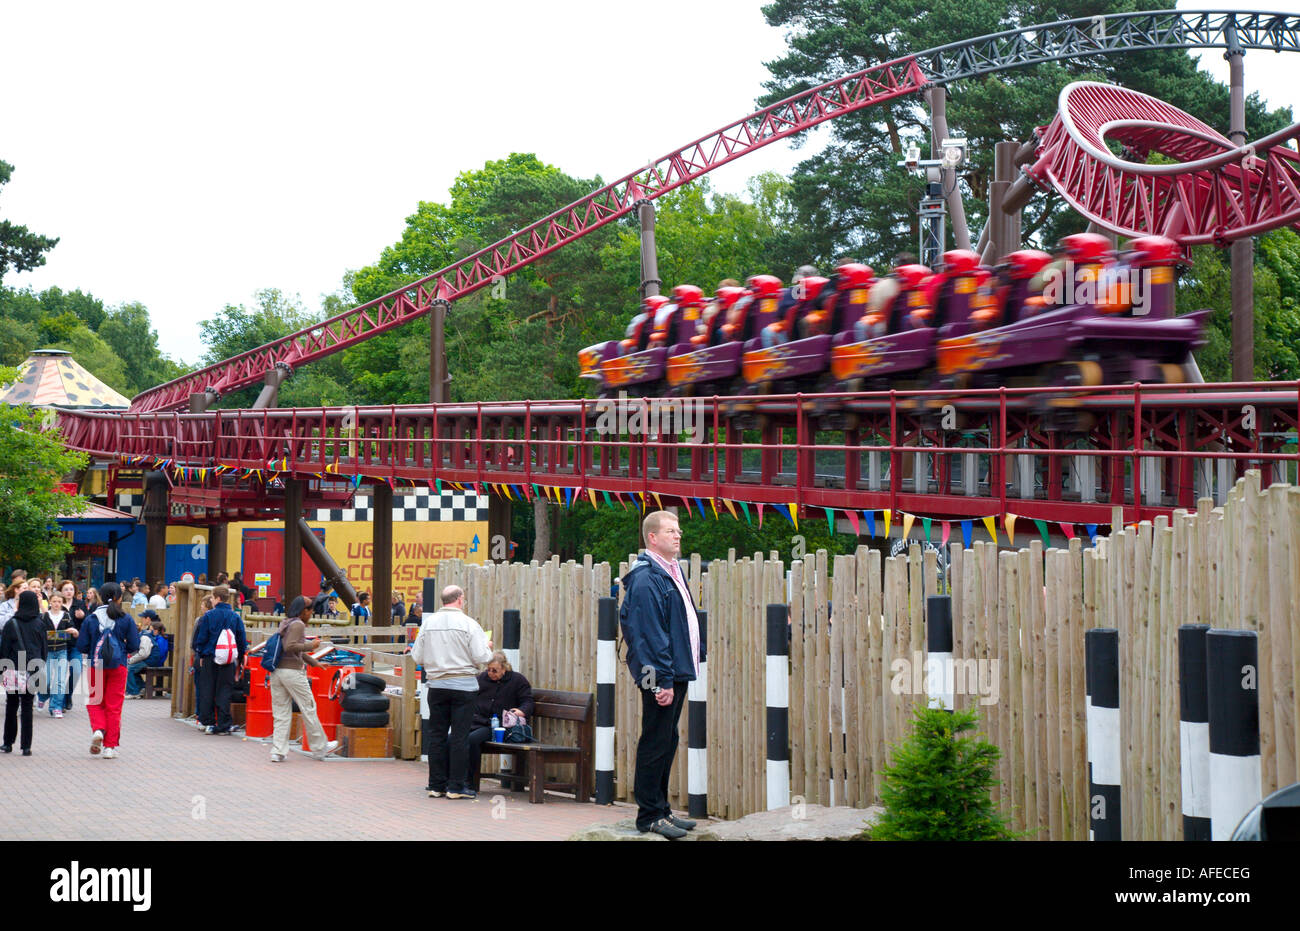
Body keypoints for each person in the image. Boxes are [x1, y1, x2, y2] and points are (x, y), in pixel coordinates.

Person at [619, 510, 702, 838]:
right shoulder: (646, 577)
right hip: (662, 676)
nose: (677, 535)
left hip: (675, 670)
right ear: (652, 538)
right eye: (670, 531)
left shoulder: (671, 571)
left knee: (667, 739)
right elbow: (648, 634)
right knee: (655, 741)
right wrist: (661, 682)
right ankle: (649, 815)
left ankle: (662, 809)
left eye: (678, 530)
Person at [411, 585, 492, 800]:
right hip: (464, 686)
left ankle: (436, 784)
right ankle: (456, 786)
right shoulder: (469, 624)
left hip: (437, 686)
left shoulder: (428, 624)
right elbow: (482, 657)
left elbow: (417, 657)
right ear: (460, 599)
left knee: (436, 735)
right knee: (459, 736)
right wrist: (488, 645)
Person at [267, 596, 339, 762]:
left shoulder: (286, 622)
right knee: (308, 707)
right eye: (310, 610)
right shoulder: (298, 624)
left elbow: (291, 649)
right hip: (292, 672)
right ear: (303, 611)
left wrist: (315, 663)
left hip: (277, 672)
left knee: (281, 712)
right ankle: (320, 747)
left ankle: (278, 751)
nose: (312, 613)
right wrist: (311, 646)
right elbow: (290, 647)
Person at [75, 582, 142, 759]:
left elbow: (82, 645)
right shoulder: (126, 618)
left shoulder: (91, 618)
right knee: (114, 707)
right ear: (119, 597)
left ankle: (98, 729)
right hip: (118, 665)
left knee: (95, 701)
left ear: (100, 597)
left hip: (95, 665)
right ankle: (110, 747)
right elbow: (135, 645)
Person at [466, 652, 534, 790]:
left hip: (499, 726)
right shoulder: (482, 678)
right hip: (478, 721)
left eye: (495, 670)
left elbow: (528, 701)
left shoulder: (517, 680)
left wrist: (522, 711)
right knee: (451, 739)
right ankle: (451, 780)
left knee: (472, 740)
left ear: (504, 668)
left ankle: (470, 783)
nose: (491, 673)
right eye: (488, 669)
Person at [190, 585, 248, 735]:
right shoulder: (235, 616)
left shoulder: (209, 616)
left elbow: (201, 639)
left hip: (210, 657)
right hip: (228, 659)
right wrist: (241, 656)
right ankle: (223, 724)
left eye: (213, 598)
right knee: (224, 690)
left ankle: (208, 722)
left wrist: (201, 655)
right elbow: (241, 639)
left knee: (207, 689)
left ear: (217, 598)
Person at [1, 591, 47, 755]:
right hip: (33, 668)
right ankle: (26, 746)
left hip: (13, 667)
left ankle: (8, 743)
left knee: (11, 706)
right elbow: (44, 649)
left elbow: (4, 650)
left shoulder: (11, 623)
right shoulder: (39, 624)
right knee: (27, 707)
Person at [37, 591, 77, 717]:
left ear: (62, 603)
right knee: (47, 681)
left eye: (59, 602)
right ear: (50, 602)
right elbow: (42, 635)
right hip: (48, 652)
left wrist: (74, 632)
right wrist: (62, 634)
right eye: (54, 601)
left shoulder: (66, 615)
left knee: (59, 680)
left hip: (62, 651)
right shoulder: (44, 616)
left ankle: (56, 707)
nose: (57, 604)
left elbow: (72, 631)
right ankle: (42, 697)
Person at [125, 610, 168, 698]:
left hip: (151, 659)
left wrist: (130, 660)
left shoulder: (145, 635)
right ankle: (141, 687)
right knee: (132, 668)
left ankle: (133, 692)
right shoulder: (145, 633)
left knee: (129, 668)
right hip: (150, 658)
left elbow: (144, 653)